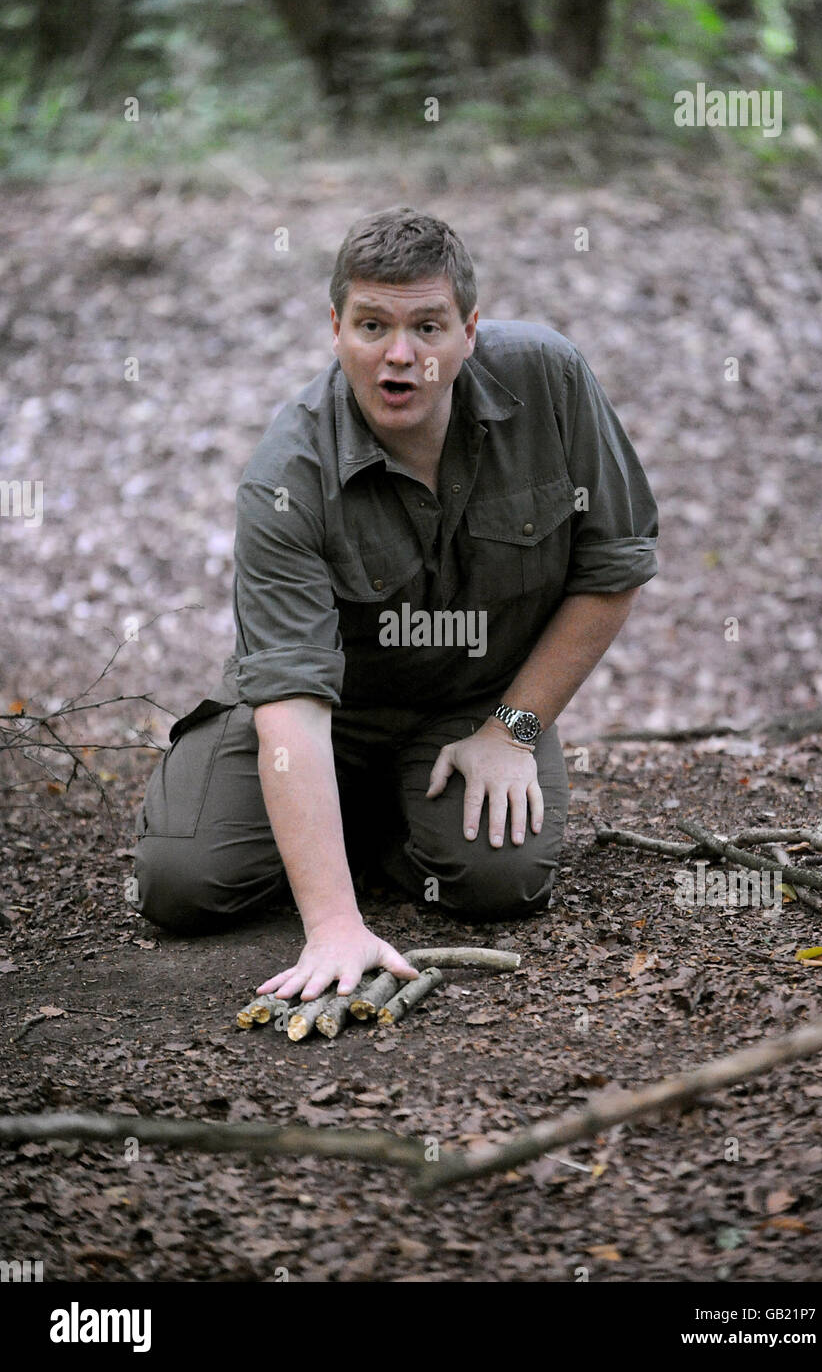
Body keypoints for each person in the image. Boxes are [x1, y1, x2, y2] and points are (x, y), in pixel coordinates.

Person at [133, 206, 658, 1008]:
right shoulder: (287, 473)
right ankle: (344, 837)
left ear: (470, 330)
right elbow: (292, 705)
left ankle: (379, 826)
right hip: (324, 718)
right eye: (373, 325)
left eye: (428, 327)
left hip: (475, 705)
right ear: (336, 328)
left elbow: (612, 567)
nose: (401, 355)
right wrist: (333, 924)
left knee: (501, 882)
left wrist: (513, 731)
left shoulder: (551, 380)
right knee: (181, 884)